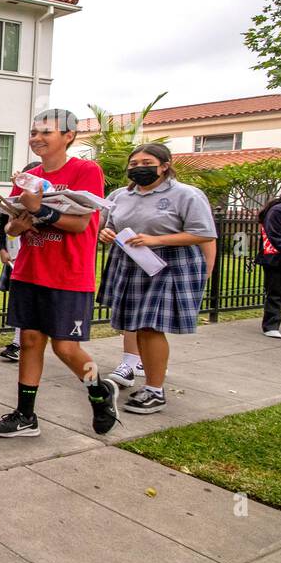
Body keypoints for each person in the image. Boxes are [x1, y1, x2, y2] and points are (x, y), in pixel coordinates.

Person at [0, 109, 120, 439]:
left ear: (69, 136)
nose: (37, 138)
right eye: (33, 132)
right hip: (29, 270)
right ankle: (25, 416)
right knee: (30, 342)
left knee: (66, 348)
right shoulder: (29, 175)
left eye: (46, 132)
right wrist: (15, 225)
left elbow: (81, 222)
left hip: (68, 275)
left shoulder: (85, 170)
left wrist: (39, 209)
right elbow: (14, 227)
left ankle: (99, 391)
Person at [96, 143, 217, 413]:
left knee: (151, 327)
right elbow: (107, 225)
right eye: (134, 163)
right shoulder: (119, 195)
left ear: (164, 165)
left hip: (168, 263)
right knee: (137, 326)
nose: (139, 168)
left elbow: (204, 233)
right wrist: (105, 234)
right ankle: (145, 377)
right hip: (129, 261)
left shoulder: (186, 195)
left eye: (147, 162)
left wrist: (157, 239)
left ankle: (154, 390)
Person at [0, 160, 42, 362]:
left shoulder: (45, 203)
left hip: (38, 259)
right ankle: (18, 342)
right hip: (16, 258)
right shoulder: (12, 202)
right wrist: (1, 250)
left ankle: (23, 342)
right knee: (20, 299)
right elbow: (2, 228)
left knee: (34, 302)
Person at [257, 181, 281, 338]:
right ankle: (271, 325)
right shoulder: (278, 210)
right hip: (275, 257)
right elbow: (274, 234)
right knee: (276, 291)